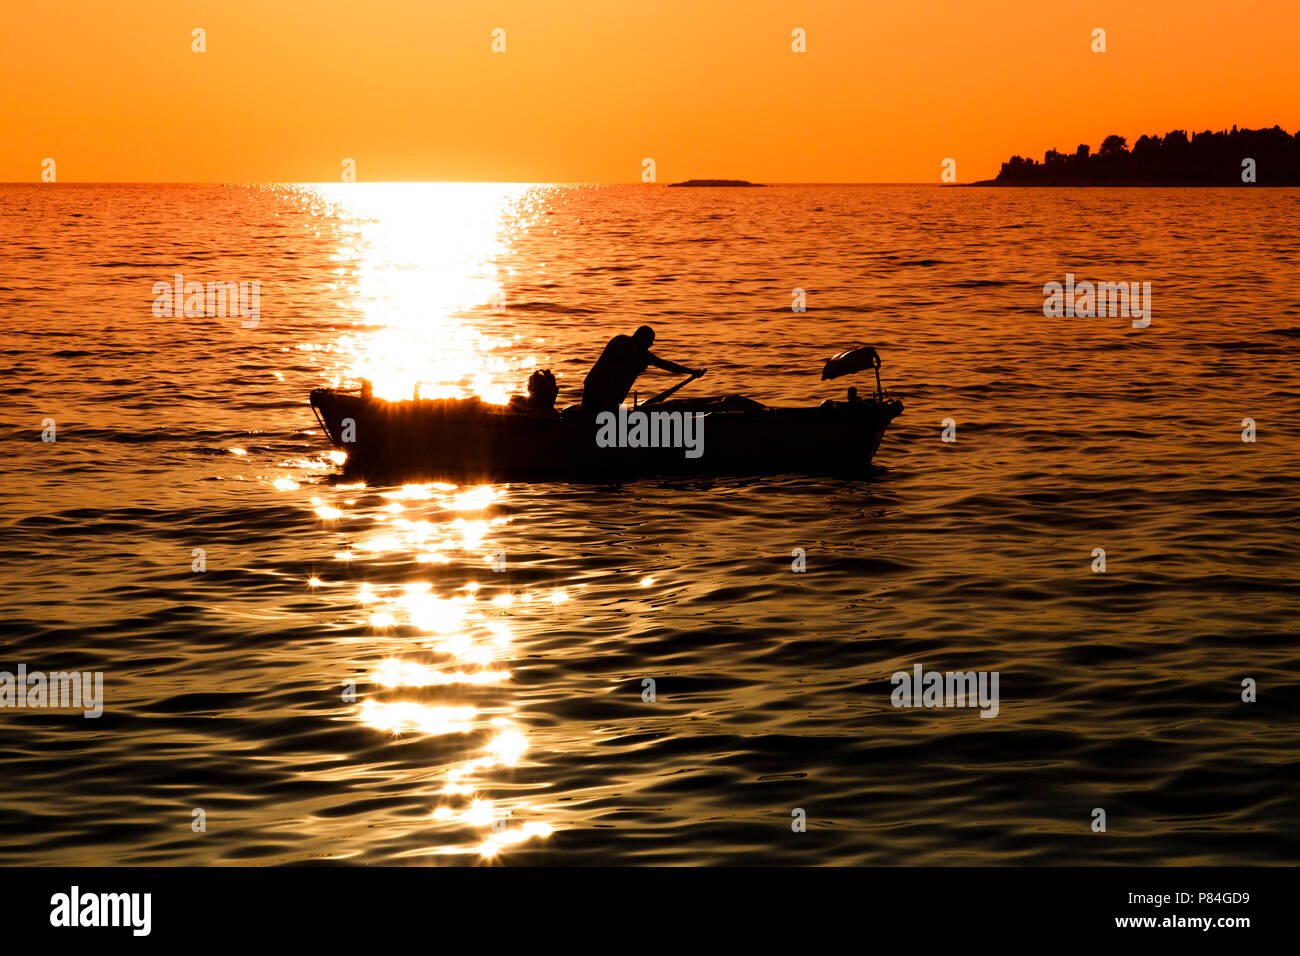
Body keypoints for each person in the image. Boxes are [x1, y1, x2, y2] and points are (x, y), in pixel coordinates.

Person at [580, 326, 703, 414]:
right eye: (649, 342)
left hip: (592, 387)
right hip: (604, 395)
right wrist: (692, 372)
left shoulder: (619, 340)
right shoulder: (640, 354)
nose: (650, 346)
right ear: (642, 340)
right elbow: (666, 365)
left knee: (590, 418)